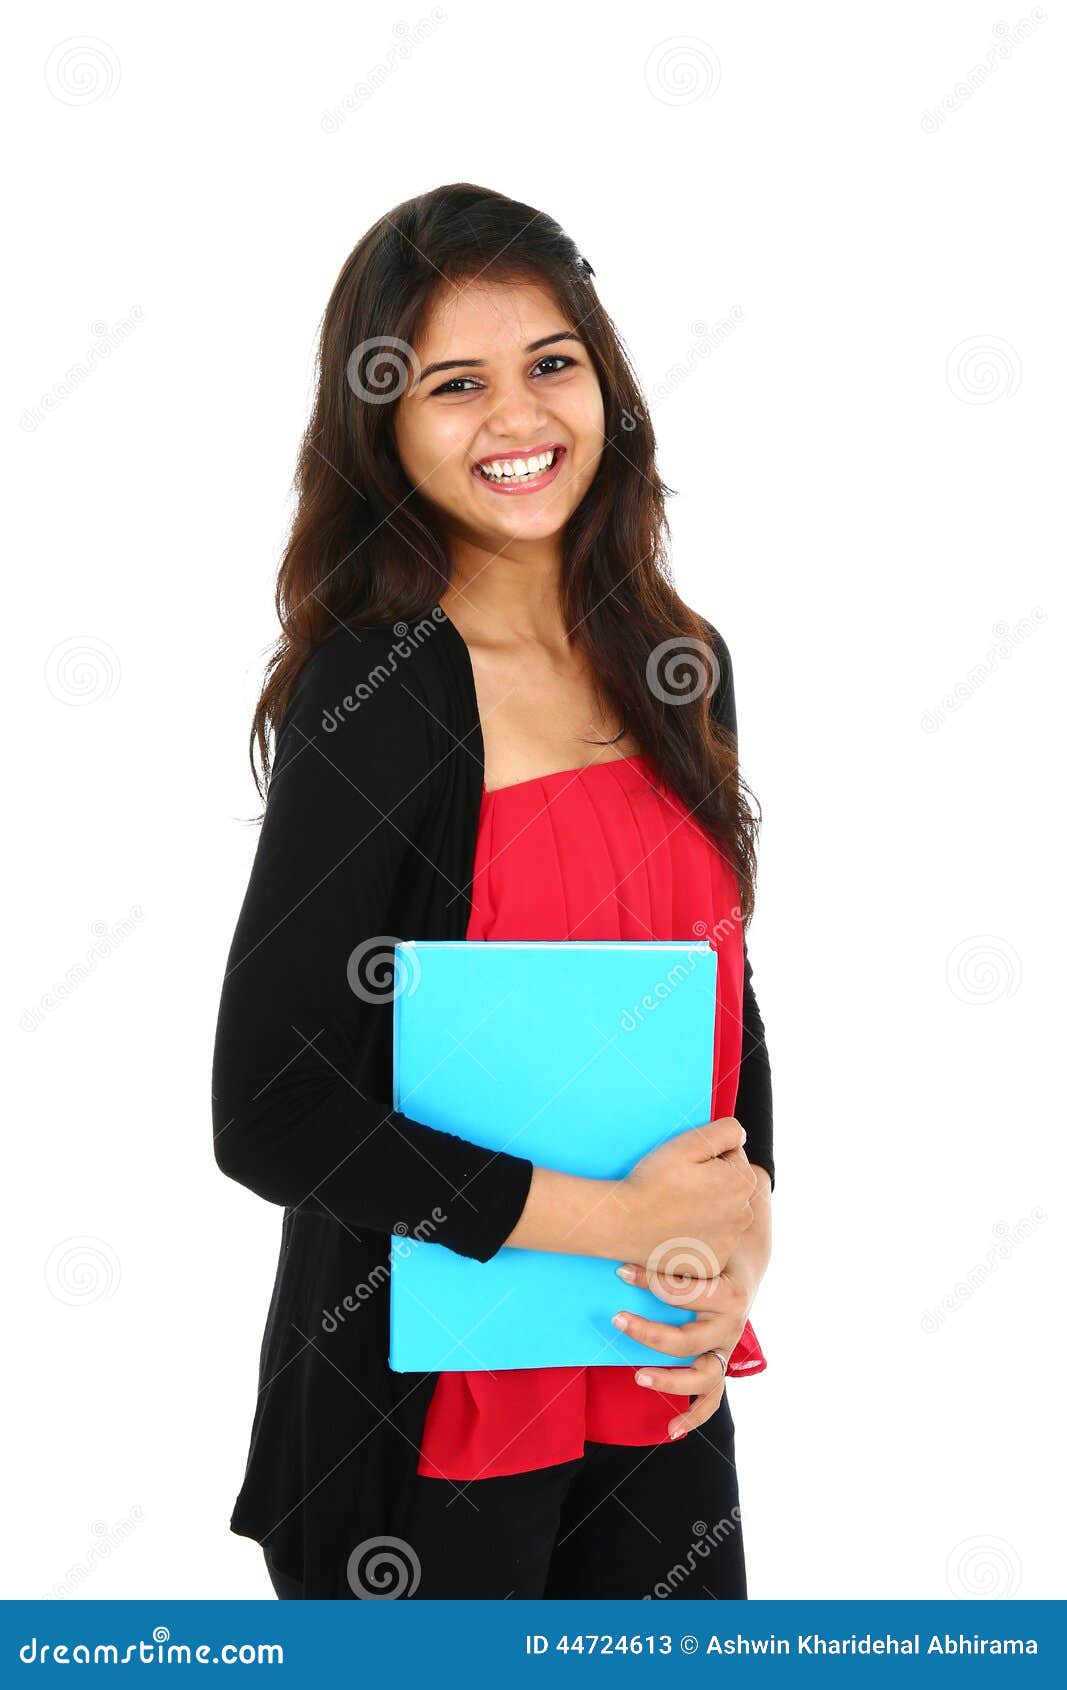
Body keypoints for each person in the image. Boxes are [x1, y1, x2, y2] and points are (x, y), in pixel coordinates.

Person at [211, 183, 775, 1601]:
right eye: (455, 383)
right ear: (384, 426)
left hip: (648, 1374)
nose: (518, 417)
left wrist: (741, 1229)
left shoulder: (679, 660)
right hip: (424, 1417)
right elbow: (271, 1106)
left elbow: (719, 992)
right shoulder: (385, 688)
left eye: (552, 363)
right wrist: (622, 1218)